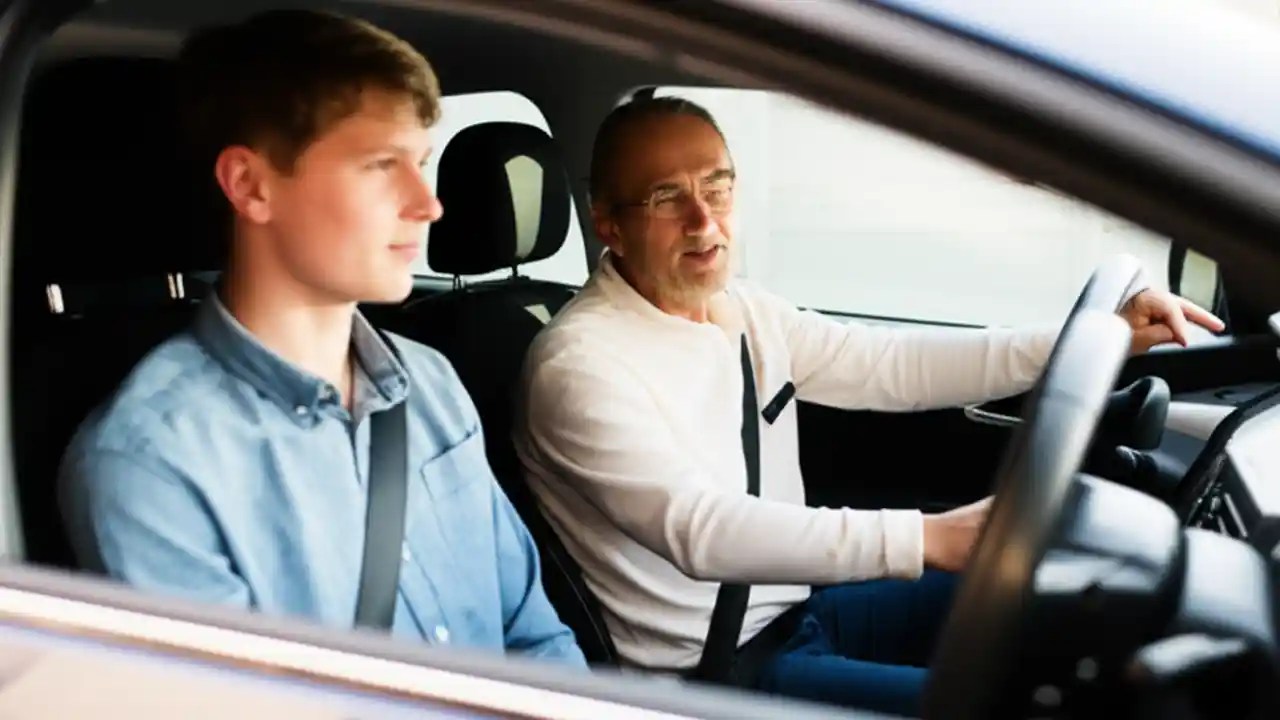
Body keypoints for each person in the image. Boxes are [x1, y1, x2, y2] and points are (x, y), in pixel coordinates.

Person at [512, 96, 1223, 711]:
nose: (704, 220)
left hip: (800, 608)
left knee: (1066, 601)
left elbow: (893, 366)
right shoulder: (577, 366)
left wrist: (1096, 336)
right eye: (668, 197)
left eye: (718, 187)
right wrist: (926, 537)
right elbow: (702, 531)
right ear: (608, 222)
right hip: (717, 673)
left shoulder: (742, 311)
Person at [58, 9, 585, 667]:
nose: (429, 203)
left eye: (421, 161)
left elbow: (535, 637)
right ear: (251, 187)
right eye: (380, 164)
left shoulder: (433, 383)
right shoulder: (151, 462)